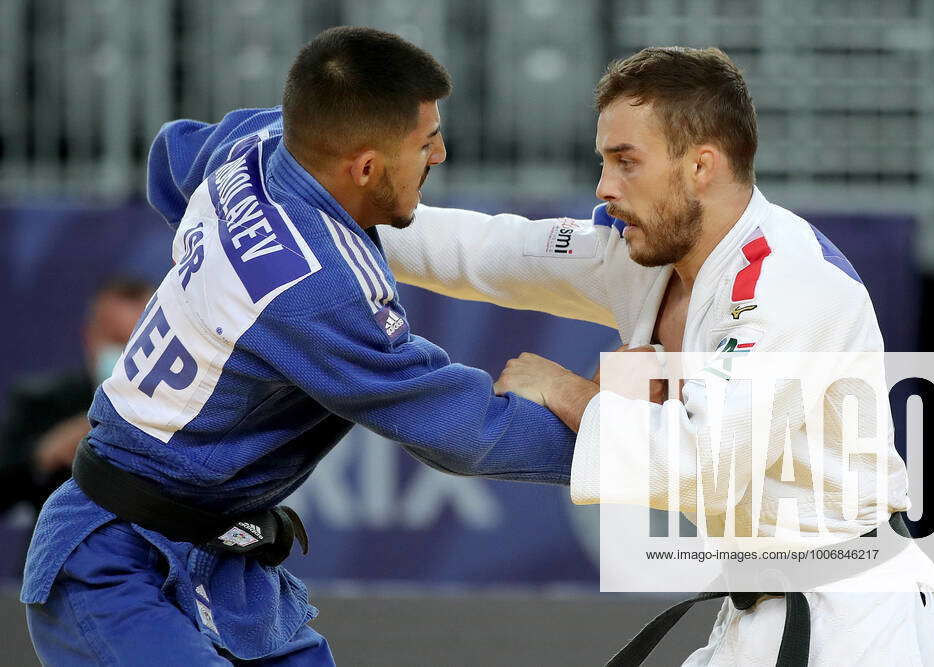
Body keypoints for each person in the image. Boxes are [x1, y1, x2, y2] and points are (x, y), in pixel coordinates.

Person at [379, 47, 934, 665]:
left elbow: (705, 466)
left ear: (700, 166)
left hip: (859, 625)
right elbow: (487, 250)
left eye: (626, 162)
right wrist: (346, 213)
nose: (604, 186)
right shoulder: (650, 256)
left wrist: (567, 391)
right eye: (604, 161)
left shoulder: (788, 284)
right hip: (764, 602)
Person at [21, 27, 578, 665]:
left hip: (223, 564)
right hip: (115, 561)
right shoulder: (315, 287)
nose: (441, 154)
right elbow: (464, 429)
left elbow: (171, 152)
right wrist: (630, 447)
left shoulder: (259, 144)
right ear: (365, 167)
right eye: (426, 143)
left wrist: (217, 270)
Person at [0, 278, 153, 517]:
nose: (126, 352)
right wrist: (42, 455)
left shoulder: (186, 409)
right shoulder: (42, 401)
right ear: (89, 337)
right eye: (117, 340)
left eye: (137, 340)